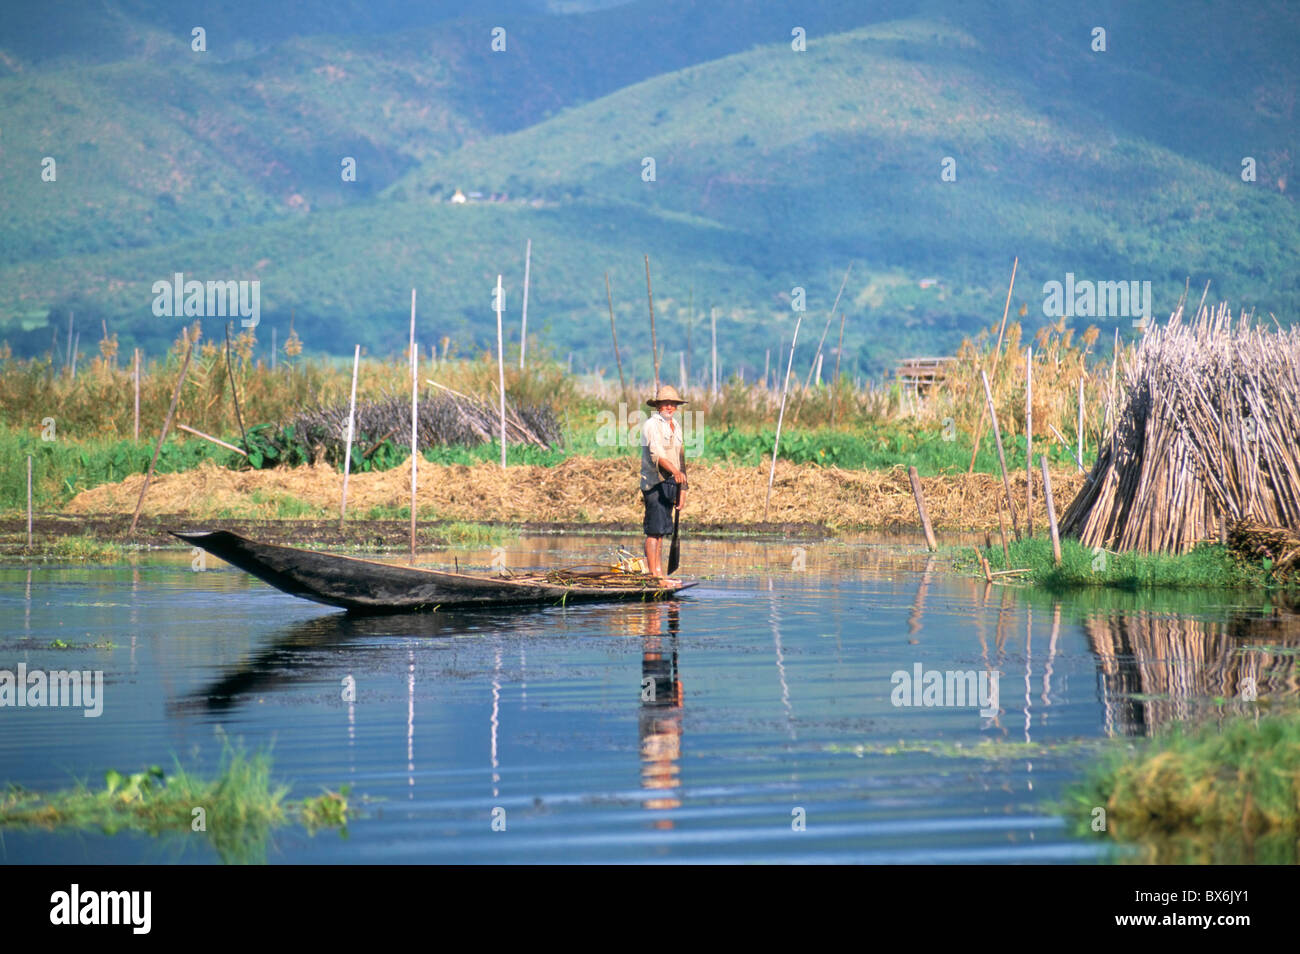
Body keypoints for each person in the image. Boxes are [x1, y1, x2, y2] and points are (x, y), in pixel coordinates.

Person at [640, 385, 688, 585]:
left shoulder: (676, 426)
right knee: (654, 531)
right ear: (658, 405)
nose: (669, 407)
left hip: (671, 484)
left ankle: (659, 574)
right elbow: (656, 455)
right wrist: (675, 472)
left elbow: (681, 458)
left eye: (673, 404)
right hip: (655, 483)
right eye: (665, 403)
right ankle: (654, 576)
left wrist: (683, 488)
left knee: (662, 532)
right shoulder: (652, 425)